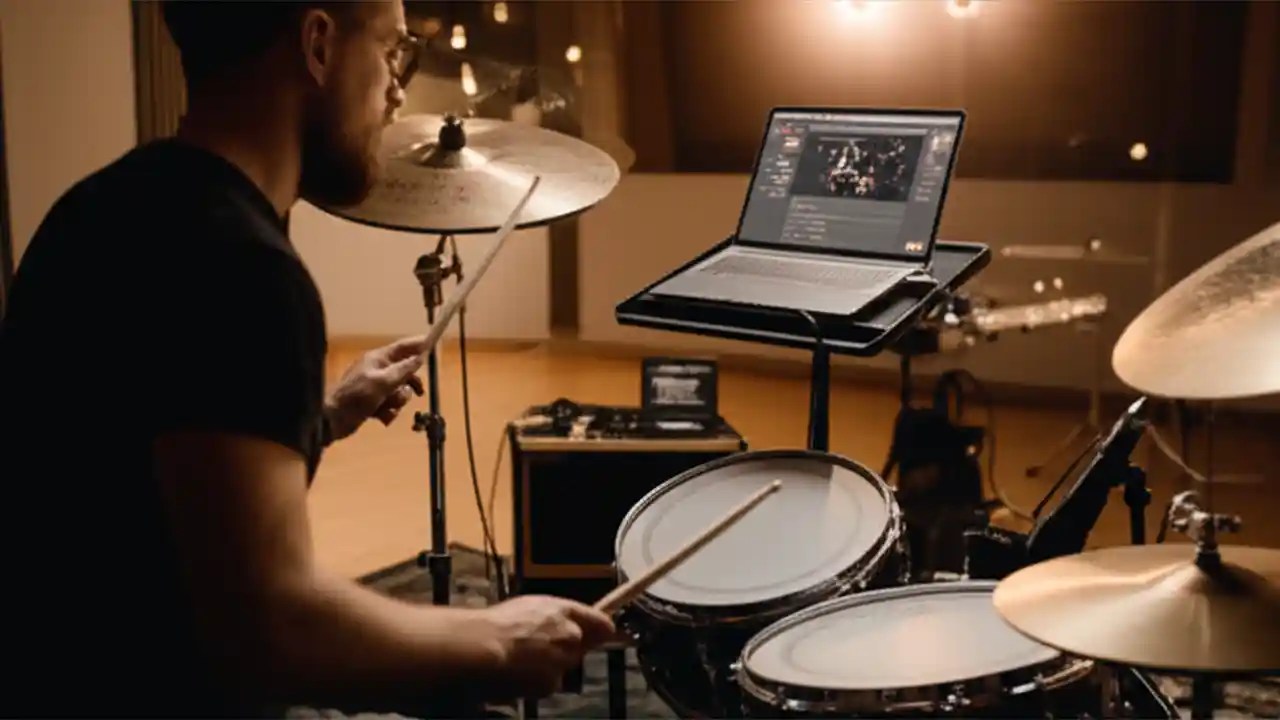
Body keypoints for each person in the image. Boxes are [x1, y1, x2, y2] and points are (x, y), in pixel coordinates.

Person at [0, 1, 615, 717]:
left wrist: (322, 415)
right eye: (390, 52)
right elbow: (271, 633)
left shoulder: (106, 206)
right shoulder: (241, 269)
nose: (395, 91)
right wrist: (495, 640)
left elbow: (140, 485)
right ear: (319, 46)